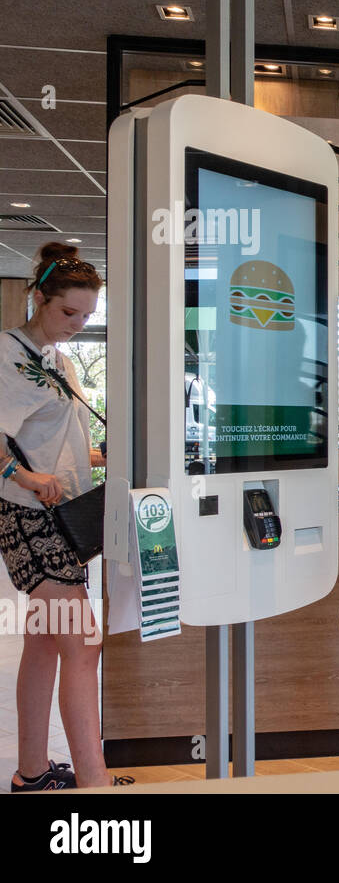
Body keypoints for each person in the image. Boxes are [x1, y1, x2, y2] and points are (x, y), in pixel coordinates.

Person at [0, 243, 112, 790]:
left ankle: (32, 773)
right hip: (30, 518)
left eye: (87, 315)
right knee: (83, 642)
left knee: (46, 641)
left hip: (64, 518)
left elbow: (48, 436)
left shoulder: (58, 359)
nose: (77, 324)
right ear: (38, 298)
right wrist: (21, 477)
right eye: (69, 312)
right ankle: (95, 784)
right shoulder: (7, 354)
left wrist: (91, 458)